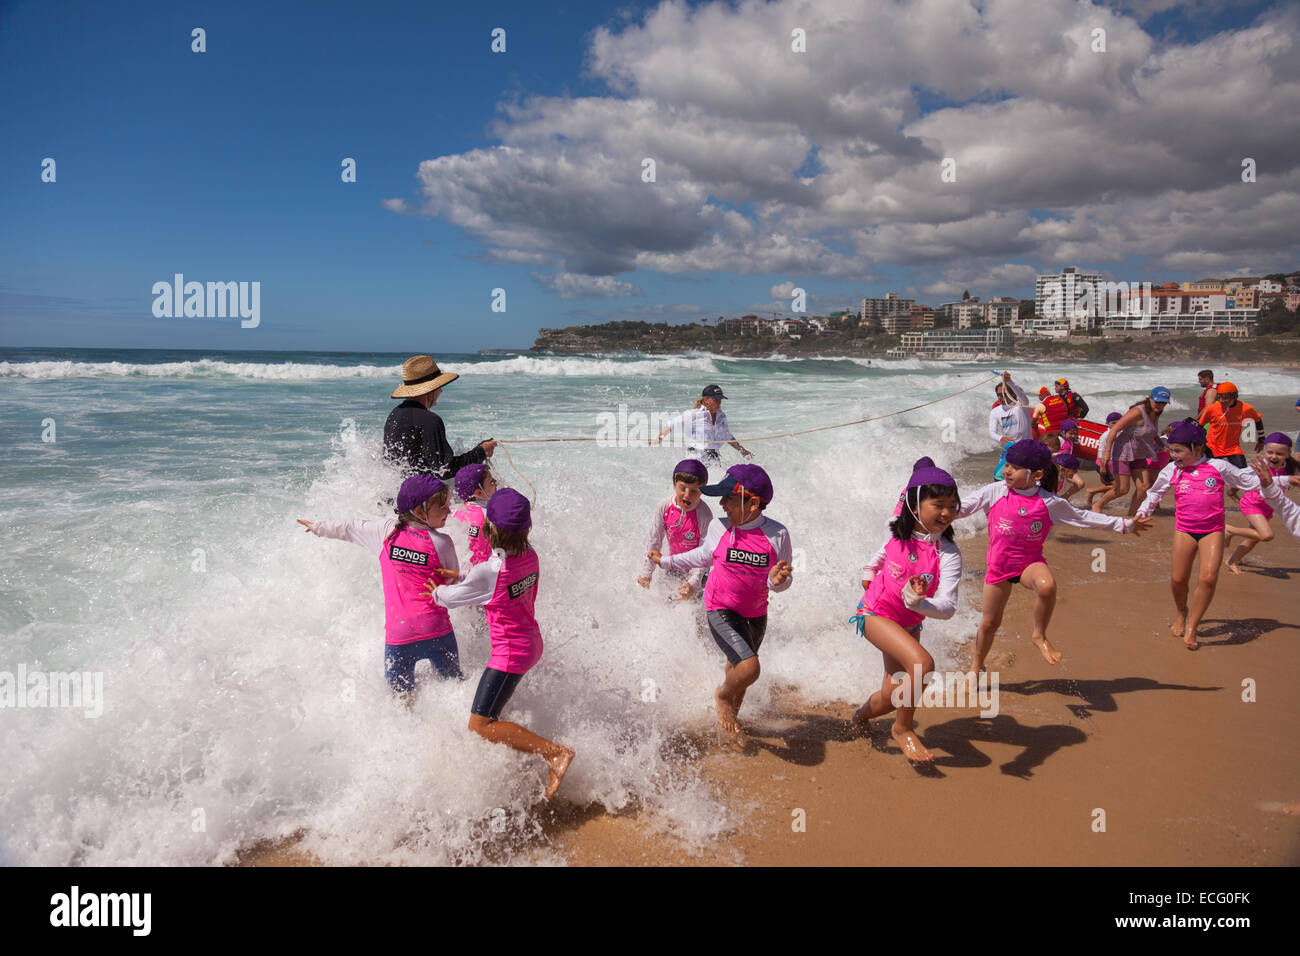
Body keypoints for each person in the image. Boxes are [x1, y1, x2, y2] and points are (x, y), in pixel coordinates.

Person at [424, 488, 575, 800]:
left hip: (510, 655)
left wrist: (435, 592)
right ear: (527, 529)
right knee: (494, 715)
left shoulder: (491, 571)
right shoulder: (529, 554)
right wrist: (464, 574)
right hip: (531, 642)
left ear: (489, 528)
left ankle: (554, 752)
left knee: (480, 726)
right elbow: (490, 575)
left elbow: (451, 599)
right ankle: (519, 768)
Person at [956, 440, 1148, 671]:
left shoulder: (1050, 502)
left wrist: (1124, 524)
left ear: (1036, 474)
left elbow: (1084, 518)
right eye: (1007, 464)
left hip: (1029, 564)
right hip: (999, 567)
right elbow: (961, 507)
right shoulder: (994, 491)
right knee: (988, 624)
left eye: (1015, 468)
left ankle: (1039, 635)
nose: (1007, 471)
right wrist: (927, 514)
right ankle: (977, 665)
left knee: (1047, 586)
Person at [647, 464, 792, 735]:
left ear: (752, 503)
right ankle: (722, 698)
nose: (722, 504)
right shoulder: (719, 526)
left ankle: (730, 722)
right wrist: (665, 562)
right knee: (750, 667)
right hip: (719, 608)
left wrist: (777, 581)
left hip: (756, 612)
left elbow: (782, 582)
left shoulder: (777, 534)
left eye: (728, 498)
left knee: (738, 671)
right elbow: (702, 556)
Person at [298, 474, 462, 696]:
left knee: (401, 699)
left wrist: (318, 527)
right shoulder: (442, 543)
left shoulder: (386, 532)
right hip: (437, 630)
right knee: (454, 689)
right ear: (420, 512)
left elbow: (350, 527)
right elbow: (451, 582)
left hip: (400, 635)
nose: (449, 511)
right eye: (442, 507)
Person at [850, 465, 962, 764]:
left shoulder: (948, 553)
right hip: (873, 613)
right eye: (938, 505)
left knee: (892, 697)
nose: (946, 513)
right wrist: (870, 569)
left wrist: (917, 603)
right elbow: (885, 550)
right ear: (915, 506)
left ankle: (859, 717)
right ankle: (903, 728)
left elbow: (948, 607)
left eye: (952, 506)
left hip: (909, 624)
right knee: (923, 664)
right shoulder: (895, 529)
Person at [1135, 422, 1261, 650]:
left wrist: (1270, 475)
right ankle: (1181, 612)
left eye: (1178, 451)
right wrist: (1143, 511)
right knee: (1178, 579)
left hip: (1213, 530)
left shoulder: (1218, 466)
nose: (1173, 455)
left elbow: (1247, 481)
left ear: (1197, 449)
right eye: (1171, 450)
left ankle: (1193, 625)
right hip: (1184, 529)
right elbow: (1154, 493)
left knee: (1208, 578)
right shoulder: (1172, 469)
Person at [383, 355, 497, 478]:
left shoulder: (394, 414)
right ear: (429, 390)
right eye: (438, 387)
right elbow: (445, 470)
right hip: (423, 495)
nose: (441, 391)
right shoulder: (430, 420)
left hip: (397, 492)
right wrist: (481, 452)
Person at [638, 458, 714, 600]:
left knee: (694, 610)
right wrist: (647, 572)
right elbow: (655, 541)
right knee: (666, 603)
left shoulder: (704, 514)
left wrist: (694, 582)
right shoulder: (665, 506)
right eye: (683, 488)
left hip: (697, 570)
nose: (687, 495)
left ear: (702, 491)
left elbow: (704, 552)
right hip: (672, 564)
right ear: (674, 484)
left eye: (694, 491)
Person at [1224, 433, 1297, 574]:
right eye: (1270, 452)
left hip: (1269, 507)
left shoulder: (1290, 467)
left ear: (1288, 454)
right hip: (1252, 503)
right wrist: (1231, 490)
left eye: (1279, 454)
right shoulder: (1259, 466)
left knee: (1253, 538)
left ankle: (1232, 561)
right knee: (1266, 535)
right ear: (1265, 451)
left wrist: (1232, 493)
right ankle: (1229, 530)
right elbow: (1241, 477)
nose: (1274, 457)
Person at [1094, 388, 1169, 516]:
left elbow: (1151, 430)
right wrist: (1106, 454)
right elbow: (1114, 429)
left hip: (1139, 454)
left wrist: (1161, 444)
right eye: (1158, 402)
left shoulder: (1156, 413)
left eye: (1163, 403)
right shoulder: (1137, 412)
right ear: (1150, 398)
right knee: (1122, 489)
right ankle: (1098, 505)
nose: (1160, 405)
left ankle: (1131, 516)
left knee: (1144, 487)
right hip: (1122, 452)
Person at [653, 384, 753, 466]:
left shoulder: (721, 416)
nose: (719, 403)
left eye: (720, 400)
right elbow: (672, 424)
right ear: (706, 400)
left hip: (714, 460)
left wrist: (742, 451)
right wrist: (659, 437)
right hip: (694, 460)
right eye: (716, 399)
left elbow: (727, 436)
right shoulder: (693, 414)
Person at [1198, 381, 1263, 469]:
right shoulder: (1212, 409)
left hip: (1233, 449)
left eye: (1225, 398)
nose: (1221, 401)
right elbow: (1199, 427)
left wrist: (1261, 439)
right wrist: (1200, 445)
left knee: (1243, 474)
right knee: (1209, 475)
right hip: (1212, 449)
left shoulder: (1245, 408)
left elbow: (1257, 420)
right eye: (1219, 397)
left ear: (1235, 396)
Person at [988, 371, 1034, 479]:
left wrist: (1010, 382)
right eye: (998, 395)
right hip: (1010, 449)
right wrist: (1001, 438)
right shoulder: (995, 412)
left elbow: (1022, 395)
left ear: (1012, 394)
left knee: (1025, 479)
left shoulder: (1021, 406)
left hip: (1026, 449)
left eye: (1003, 394)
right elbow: (992, 432)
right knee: (999, 477)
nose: (1000, 397)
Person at [452, 463, 496, 567]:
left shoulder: (454, 512)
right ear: (479, 492)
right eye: (491, 482)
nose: (496, 483)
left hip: (459, 571)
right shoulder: (490, 515)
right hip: (482, 572)